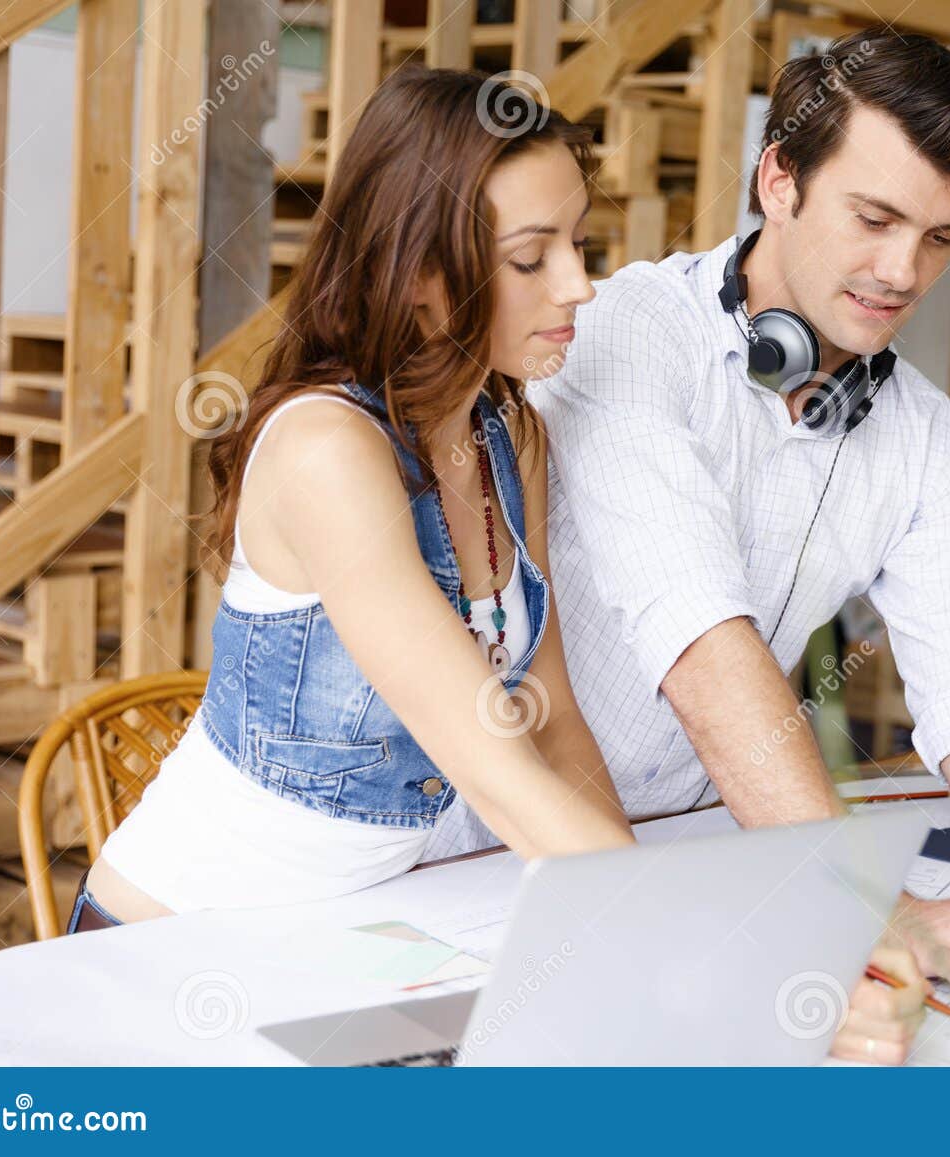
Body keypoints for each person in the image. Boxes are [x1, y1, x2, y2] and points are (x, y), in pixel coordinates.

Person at [426, 30, 950, 1065]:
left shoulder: (926, 439)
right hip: (498, 850)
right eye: (873, 219)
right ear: (777, 177)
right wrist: (858, 901)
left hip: (705, 840)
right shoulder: (624, 338)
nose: (900, 272)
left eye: (939, 238)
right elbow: (700, 646)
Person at [72, 67, 635, 934]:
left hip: (335, 933)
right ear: (419, 273)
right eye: (531, 256)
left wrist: (635, 877)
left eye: (580, 245)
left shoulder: (509, 437)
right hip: (166, 936)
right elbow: (494, 768)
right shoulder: (326, 451)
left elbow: (551, 721)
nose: (578, 285)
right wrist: (670, 932)